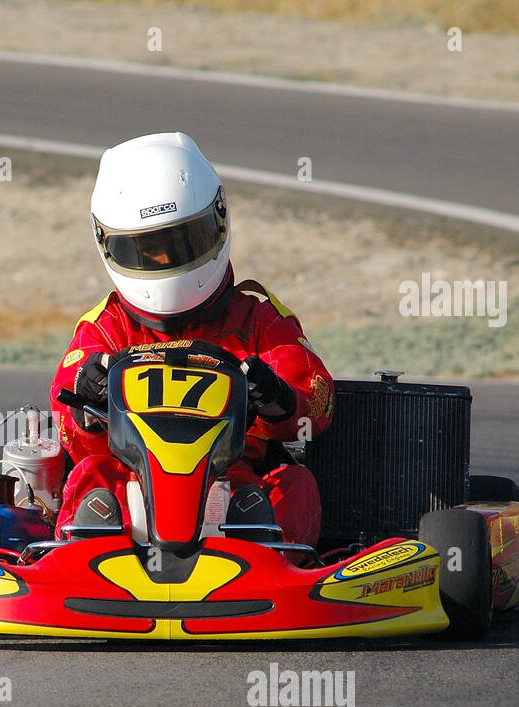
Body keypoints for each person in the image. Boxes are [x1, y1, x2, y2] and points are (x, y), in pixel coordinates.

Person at [49, 132, 334, 547]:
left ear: (216, 220)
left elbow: (317, 398)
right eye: (148, 251)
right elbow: (68, 408)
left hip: (229, 478)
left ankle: (270, 563)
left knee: (293, 482)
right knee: (91, 475)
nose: (167, 261)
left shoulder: (257, 319)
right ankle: (83, 558)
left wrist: (281, 399)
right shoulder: (106, 327)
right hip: (134, 483)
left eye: (183, 242)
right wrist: (85, 395)